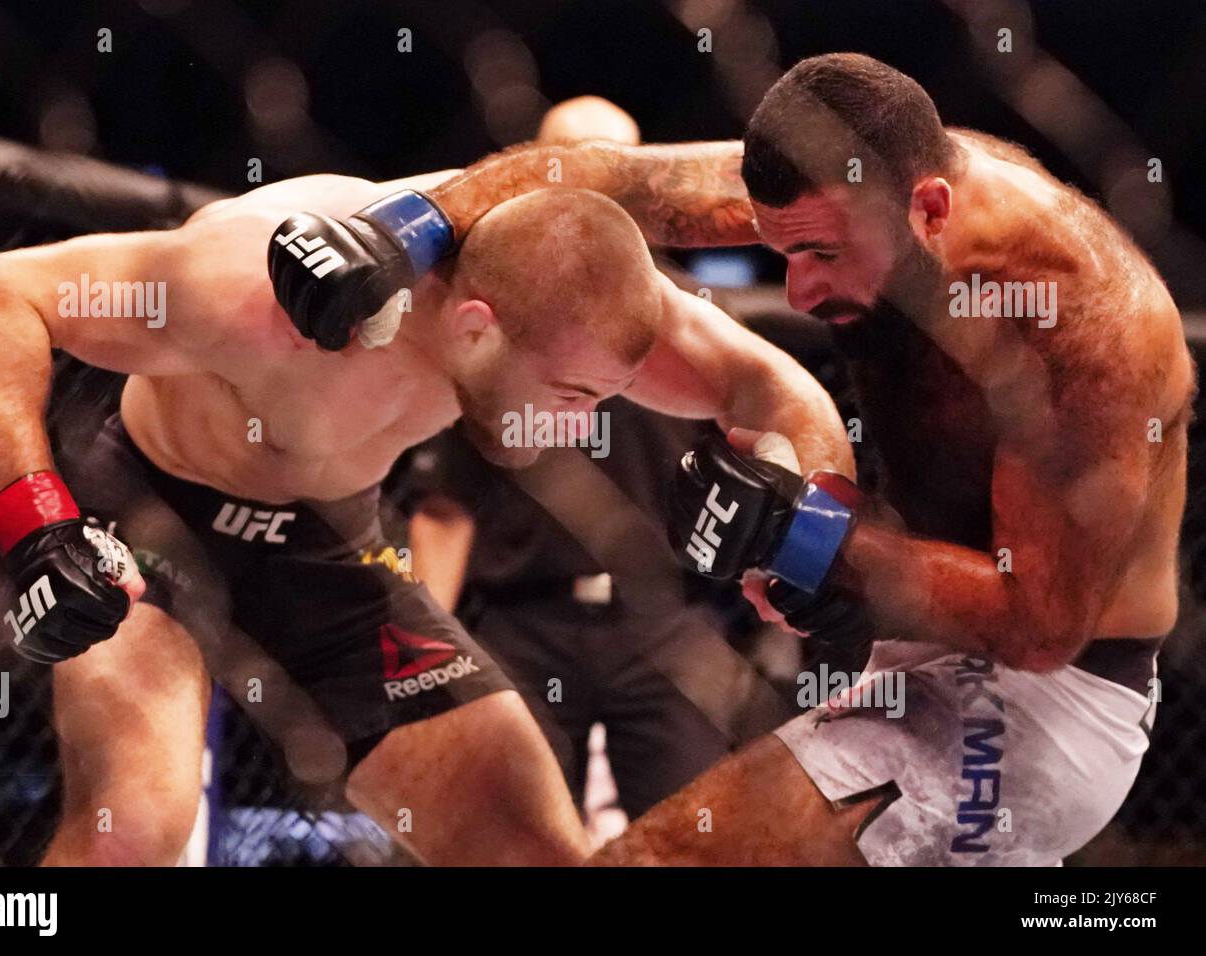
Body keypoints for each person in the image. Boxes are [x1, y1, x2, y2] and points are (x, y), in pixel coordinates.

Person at [303, 53, 1193, 866]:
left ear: (929, 211)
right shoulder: (848, 185)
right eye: (780, 251)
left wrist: (810, 536)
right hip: (913, 654)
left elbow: (1039, 626)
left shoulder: (1082, 329)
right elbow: (588, 172)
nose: (798, 290)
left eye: (821, 255)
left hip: (1046, 703)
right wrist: (410, 228)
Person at [0, 161, 849, 864]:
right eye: (571, 394)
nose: (584, 425)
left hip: (331, 553)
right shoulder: (258, 284)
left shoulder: (577, 294)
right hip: (152, 520)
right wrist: (37, 524)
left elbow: (771, 380)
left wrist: (803, 523)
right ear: (476, 326)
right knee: (131, 830)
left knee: (537, 851)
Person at [399, 95, 787, 831]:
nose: (590, 181)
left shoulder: (691, 318)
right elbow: (446, 505)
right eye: (569, 162)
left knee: (688, 834)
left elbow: (759, 433)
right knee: (510, 832)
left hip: (665, 620)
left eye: (610, 165)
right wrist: (424, 661)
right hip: (523, 618)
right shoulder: (497, 302)